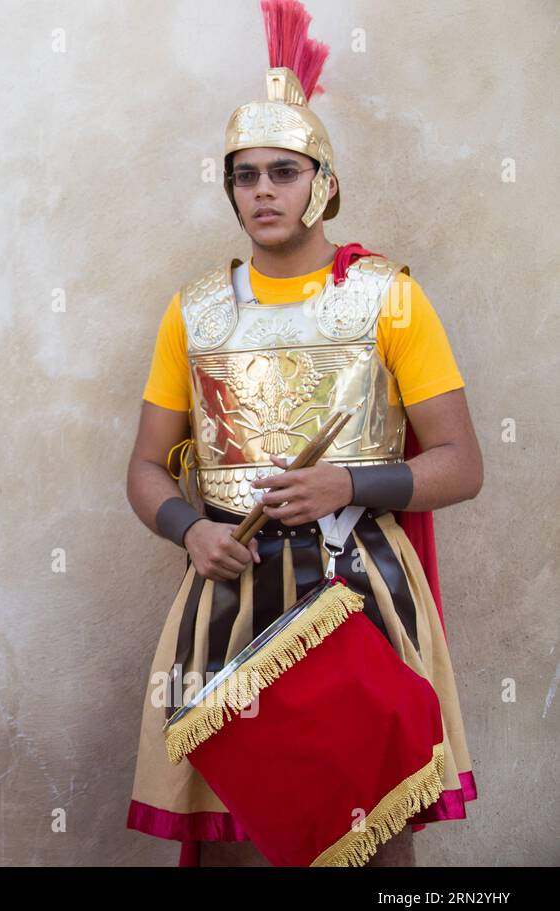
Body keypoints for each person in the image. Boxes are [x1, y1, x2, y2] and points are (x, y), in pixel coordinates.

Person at [124, 0, 480, 866]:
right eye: (244, 176)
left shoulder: (388, 295)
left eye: (283, 172)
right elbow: (143, 469)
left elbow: (462, 463)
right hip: (229, 586)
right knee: (231, 838)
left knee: (370, 830)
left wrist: (350, 483)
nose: (262, 192)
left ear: (322, 182)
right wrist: (189, 528)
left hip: (356, 588)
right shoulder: (196, 309)